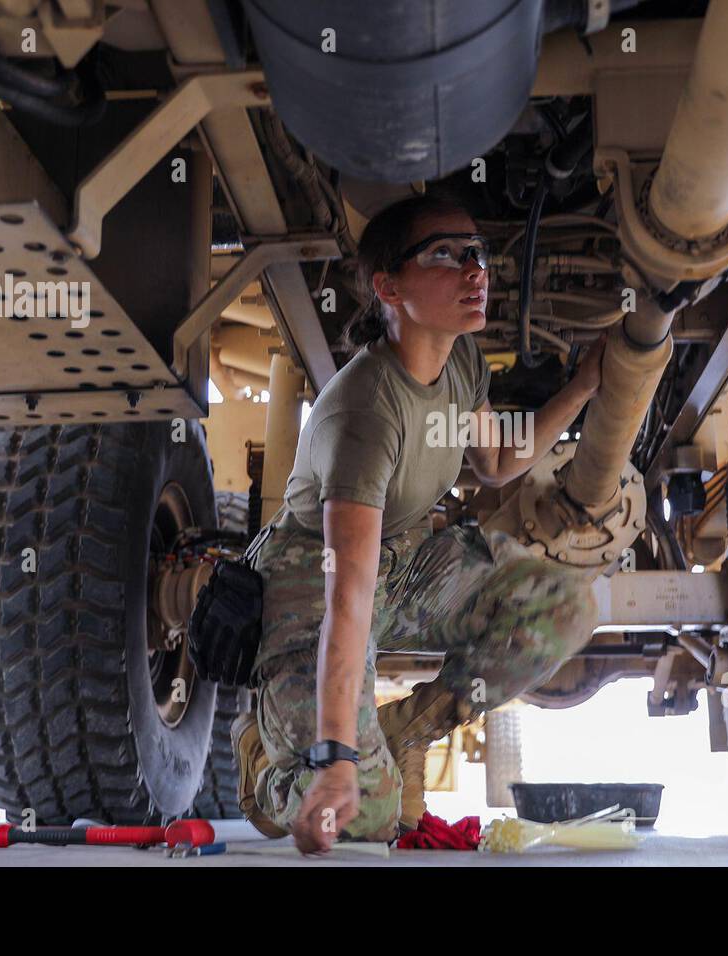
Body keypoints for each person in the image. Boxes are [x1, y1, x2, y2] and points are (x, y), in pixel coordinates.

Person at [231, 193, 603, 854]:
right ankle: (269, 766)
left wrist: (580, 388)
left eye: (476, 253)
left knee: (562, 606)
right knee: (359, 817)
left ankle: (401, 734)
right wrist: (337, 759)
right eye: (445, 254)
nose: (474, 269)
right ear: (389, 287)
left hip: (402, 561)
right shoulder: (365, 413)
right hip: (311, 579)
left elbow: (494, 461)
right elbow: (347, 599)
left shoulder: (460, 359)